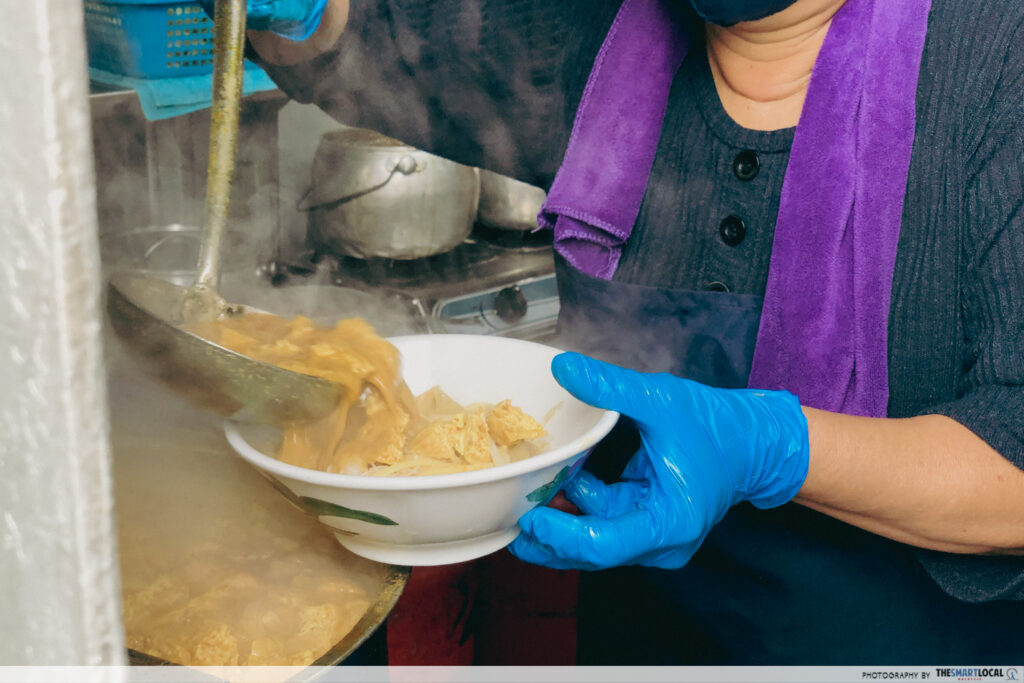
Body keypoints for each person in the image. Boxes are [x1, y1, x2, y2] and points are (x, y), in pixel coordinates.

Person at [201, 0, 1024, 664]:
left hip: (903, 648)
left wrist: (774, 446)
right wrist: (301, 14)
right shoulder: (596, 38)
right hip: (644, 637)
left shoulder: (994, 57)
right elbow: (393, 51)